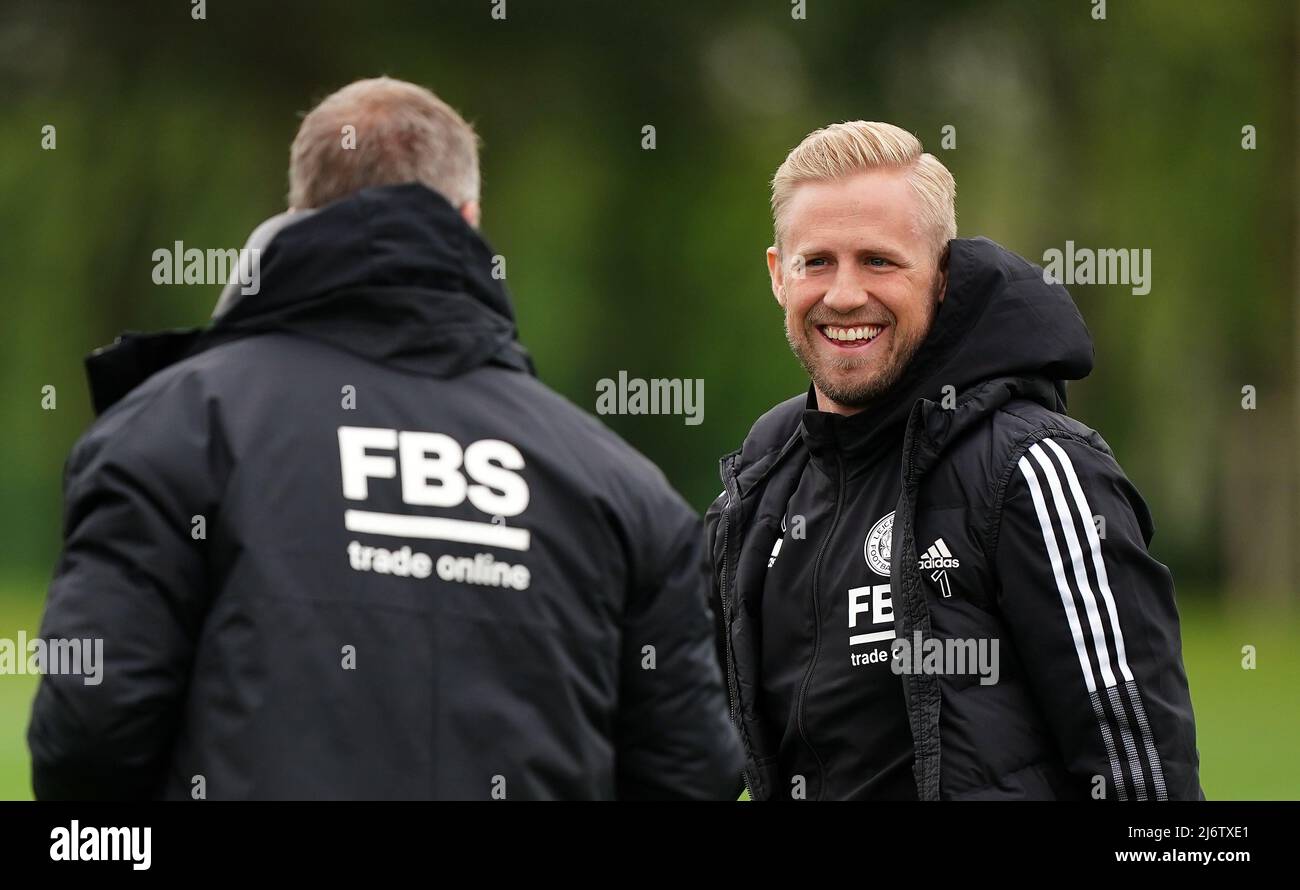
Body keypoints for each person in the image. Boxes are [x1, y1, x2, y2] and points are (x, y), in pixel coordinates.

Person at [29, 77, 742, 800]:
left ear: (296, 212)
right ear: (469, 218)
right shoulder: (623, 487)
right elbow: (694, 775)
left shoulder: (168, 431)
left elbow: (89, 737)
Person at [706, 120, 1202, 801]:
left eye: (879, 261)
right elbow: (677, 742)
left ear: (943, 278)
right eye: (816, 261)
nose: (845, 295)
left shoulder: (1034, 468)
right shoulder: (757, 491)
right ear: (776, 274)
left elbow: (1147, 787)